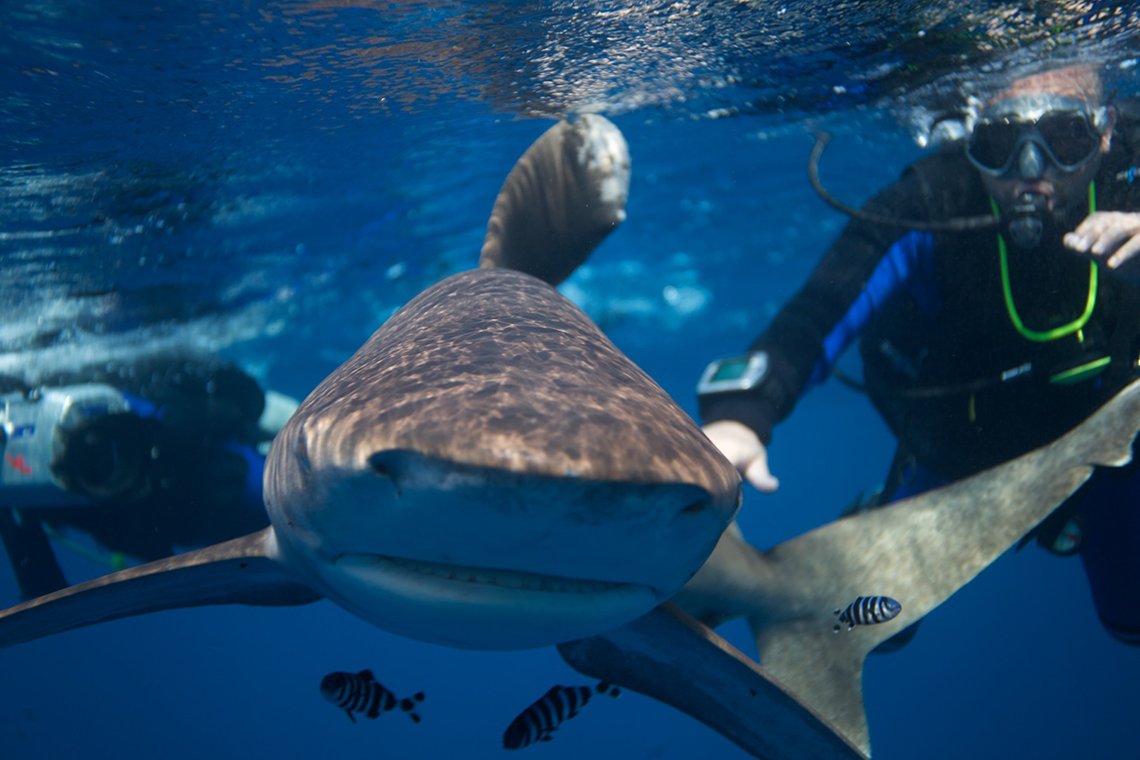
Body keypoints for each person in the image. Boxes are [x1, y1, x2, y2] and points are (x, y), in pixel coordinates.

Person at [696, 64, 1140, 646]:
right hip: (968, 452)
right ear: (970, 138)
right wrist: (744, 413)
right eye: (1000, 146)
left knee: (1130, 621)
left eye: (1064, 141)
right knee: (868, 623)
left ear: (1105, 134)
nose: (1031, 174)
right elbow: (823, 307)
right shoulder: (937, 197)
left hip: (1123, 450)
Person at [0, 348, 295, 599]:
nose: (116, 466)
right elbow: (43, 588)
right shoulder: (21, 489)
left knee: (281, 470)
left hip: (210, 466)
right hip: (203, 514)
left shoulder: (148, 402)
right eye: (98, 470)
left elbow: (244, 396)